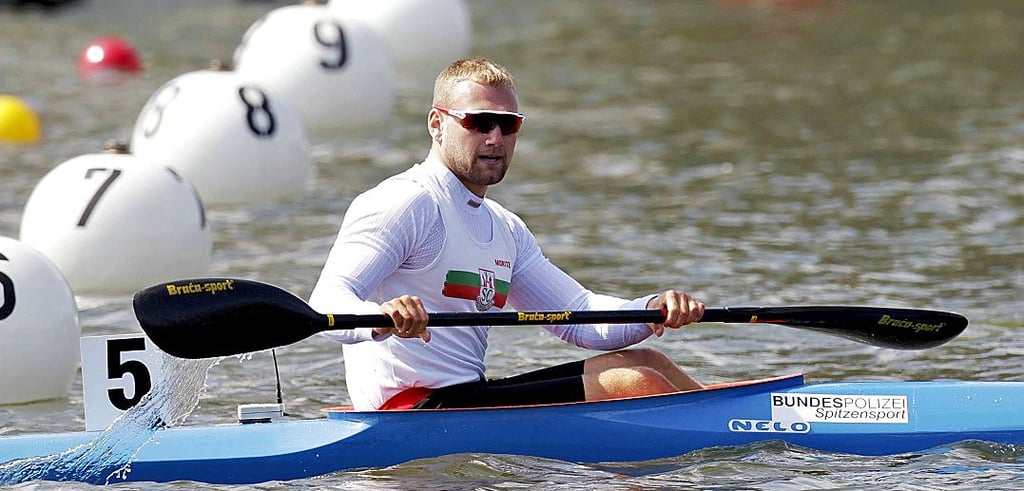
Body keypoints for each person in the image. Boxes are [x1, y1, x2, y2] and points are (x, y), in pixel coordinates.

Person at [309, 56, 706, 411]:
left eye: (508, 124)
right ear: (437, 124)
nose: (495, 138)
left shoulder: (506, 228)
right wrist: (380, 317)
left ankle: (738, 418)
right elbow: (327, 301)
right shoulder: (404, 204)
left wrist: (653, 307)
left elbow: (580, 316)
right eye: (479, 122)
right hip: (408, 408)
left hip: (465, 397)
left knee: (647, 362)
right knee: (634, 384)